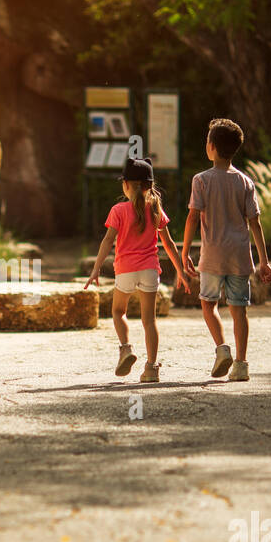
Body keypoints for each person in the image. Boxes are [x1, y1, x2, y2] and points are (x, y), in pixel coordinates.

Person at [181, 119, 271, 382]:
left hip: (212, 256)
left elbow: (192, 218)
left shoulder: (201, 180)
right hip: (239, 257)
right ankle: (242, 364)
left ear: (211, 147)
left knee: (208, 304)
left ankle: (222, 349)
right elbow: (255, 222)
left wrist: (185, 250)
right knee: (239, 310)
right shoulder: (245, 182)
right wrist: (264, 261)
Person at [84, 158, 191, 382]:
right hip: (150, 270)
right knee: (149, 321)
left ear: (125, 184)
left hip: (125, 270)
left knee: (118, 312)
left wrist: (95, 270)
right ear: (149, 186)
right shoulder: (156, 209)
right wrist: (180, 271)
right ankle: (151, 368)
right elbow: (169, 244)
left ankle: (125, 348)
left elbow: (107, 241)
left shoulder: (118, 210)